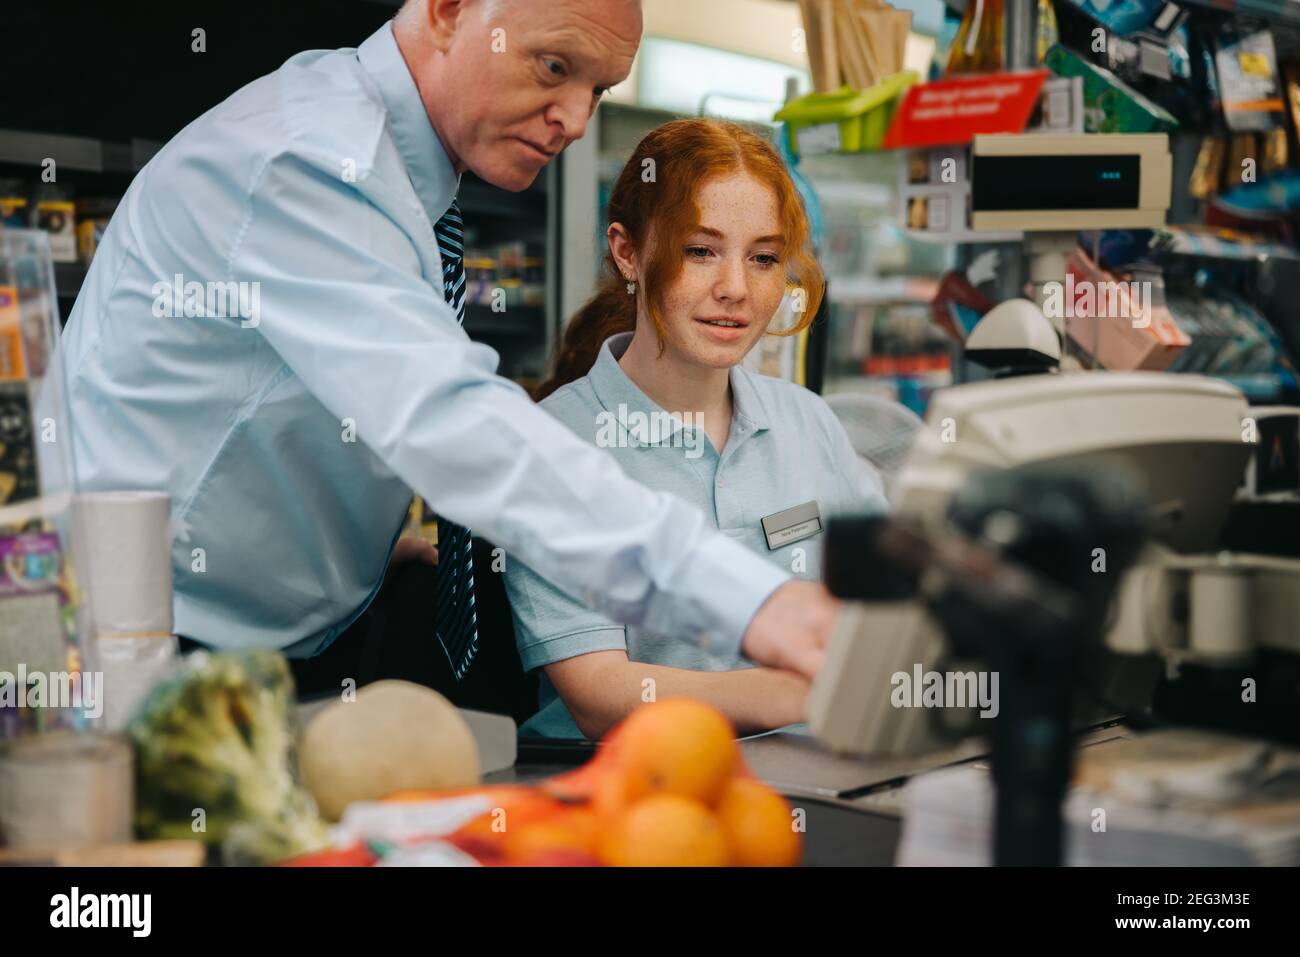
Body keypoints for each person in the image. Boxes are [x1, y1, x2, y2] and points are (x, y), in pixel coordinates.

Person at [54, 0, 840, 695]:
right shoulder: (309, 161)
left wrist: (347, 539)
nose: (574, 119)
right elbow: (454, 423)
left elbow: (308, 389)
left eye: (598, 89)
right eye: (554, 66)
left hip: (276, 640)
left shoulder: (402, 176)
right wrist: (752, 602)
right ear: (447, 10)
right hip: (137, 648)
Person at [505, 119, 890, 739]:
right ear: (627, 252)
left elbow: (886, 606)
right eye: (700, 251)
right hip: (639, 785)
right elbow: (600, 693)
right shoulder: (553, 442)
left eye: (763, 259)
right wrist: (802, 692)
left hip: (816, 776)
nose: (735, 289)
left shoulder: (807, 420)